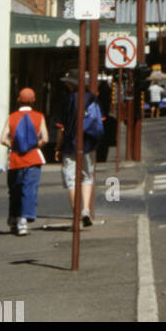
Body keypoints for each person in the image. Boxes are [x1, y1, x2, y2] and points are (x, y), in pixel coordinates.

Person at [0, 88, 48, 235]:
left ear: (18, 100)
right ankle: (23, 220)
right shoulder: (39, 117)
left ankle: (13, 216)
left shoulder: (12, 117)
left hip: (15, 159)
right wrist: (34, 146)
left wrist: (14, 145)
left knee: (15, 189)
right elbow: (45, 138)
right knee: (29, 189)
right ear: (33, 100)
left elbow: (3, 138)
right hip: (33, 158)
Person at [54, 70, 99, 226]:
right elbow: (99, 121)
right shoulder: (92, 98)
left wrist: (57, 148)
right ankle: (86, 209)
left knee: (71, 180)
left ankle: (76, 214)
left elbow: (61, 128)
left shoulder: (66, 100)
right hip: (88, 144)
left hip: (69, 145)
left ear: (71, 84)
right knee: (87, 177)